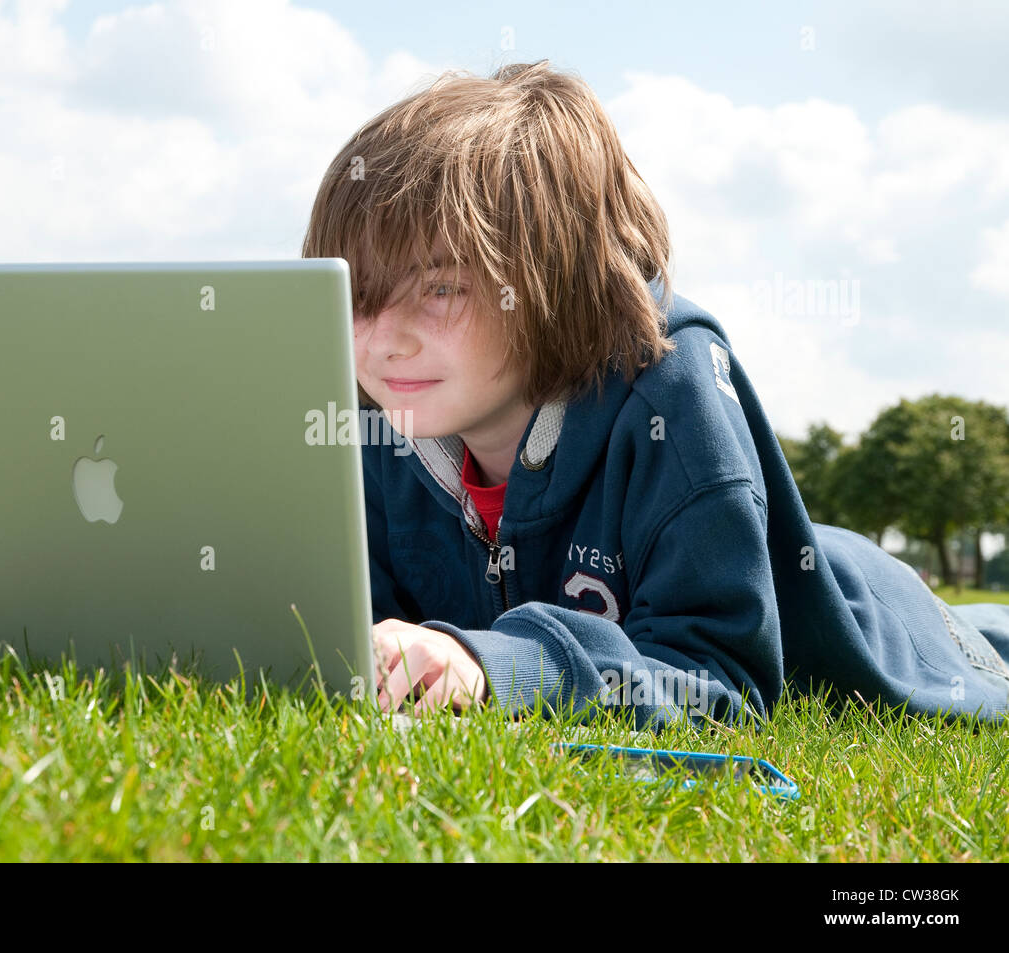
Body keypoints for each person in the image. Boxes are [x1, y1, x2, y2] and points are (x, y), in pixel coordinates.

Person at [300, 59, 1009, 730]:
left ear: (553, 276)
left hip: (877, 613)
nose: (383, 340)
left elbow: (720, 674)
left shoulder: (673, 390)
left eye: (441, 286)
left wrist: (497, 665)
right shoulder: (374, 416)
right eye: (357, 296)